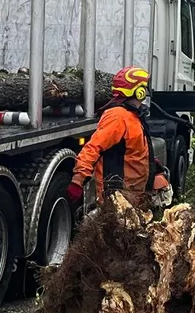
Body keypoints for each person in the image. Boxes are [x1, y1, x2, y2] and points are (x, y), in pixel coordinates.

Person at [67, 67, 171, 208]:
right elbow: (93, 147)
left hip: (134, 197)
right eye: (144, 88)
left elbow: (133, 148)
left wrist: (151, 163)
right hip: (118, 197)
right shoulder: (118, 117)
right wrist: (78, 180)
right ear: (139, 91)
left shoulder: (134, 116)